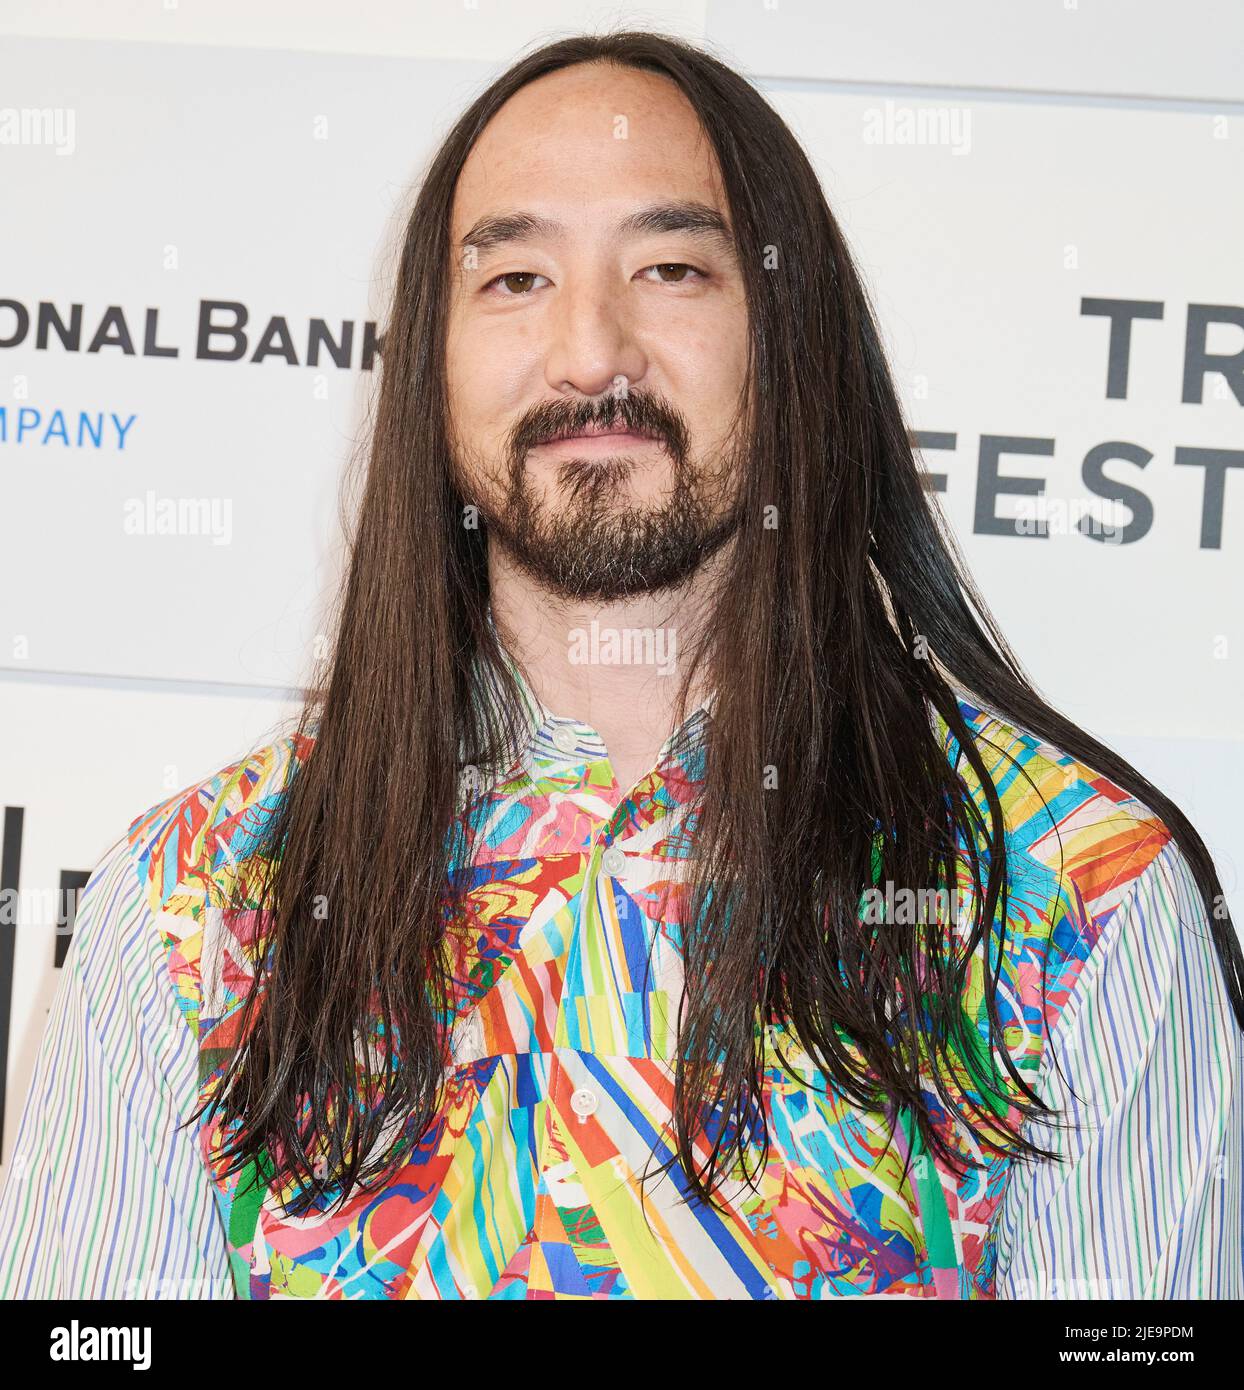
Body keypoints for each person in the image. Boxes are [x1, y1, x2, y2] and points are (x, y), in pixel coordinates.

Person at [1, 30, 1240, 1301]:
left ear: (790, 335)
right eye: (515, 279)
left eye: (668, 268)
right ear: (430, 366)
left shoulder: (1073, 896)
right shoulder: (192, 909)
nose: (592, 352)